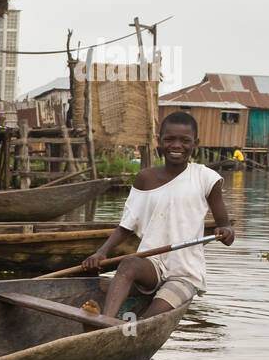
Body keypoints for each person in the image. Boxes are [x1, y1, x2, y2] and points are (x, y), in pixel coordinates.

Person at [81, 111, 235, 318]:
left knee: (150, 319)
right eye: (169, 139)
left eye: (184, 140)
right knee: (128, 264)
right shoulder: (145, 178)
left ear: (195, 143)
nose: (177, 145)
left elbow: (225, 226)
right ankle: (105, 322)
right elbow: (127, 225)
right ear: (159, 141)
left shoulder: (206, 178)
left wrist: (226, 231)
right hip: (152, 264)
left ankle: (127, 327)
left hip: (185, 273)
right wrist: (101, 252)